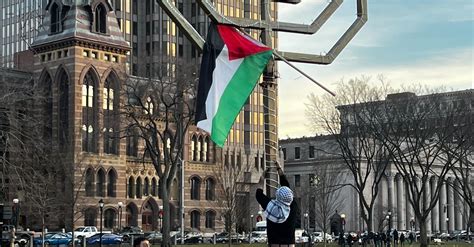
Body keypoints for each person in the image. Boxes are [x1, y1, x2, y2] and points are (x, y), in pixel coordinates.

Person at [256, 161, 299, 247]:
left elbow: (259, 194)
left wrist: (262, 177)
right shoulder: (293, 206)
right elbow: (286, 185)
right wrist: (279, 169)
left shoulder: (271, 207)